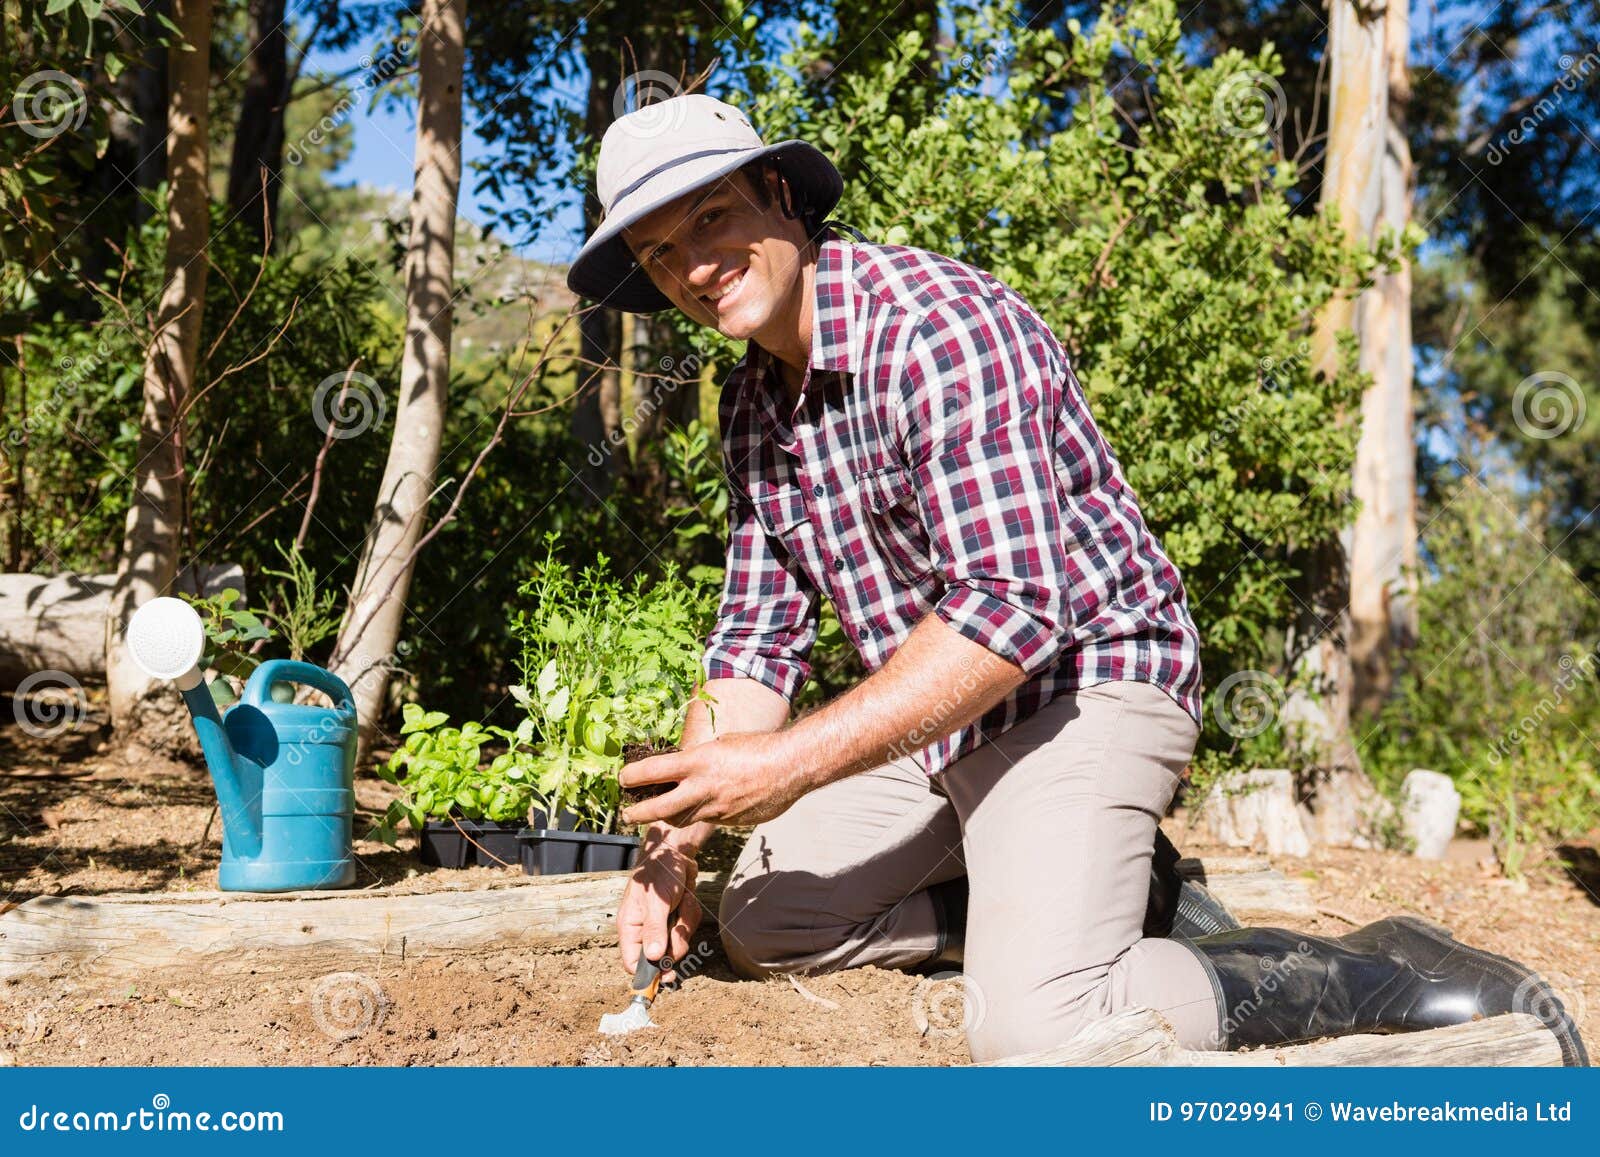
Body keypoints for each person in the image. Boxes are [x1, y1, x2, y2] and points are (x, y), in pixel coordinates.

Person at [566, 93, 1588, 1066]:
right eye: (659, 253)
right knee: (764, 917)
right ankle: (1090, 905)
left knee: (1034, 1032)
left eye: (712, 216)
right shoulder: (749, 409)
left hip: (1081, 685)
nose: (695, 266)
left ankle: (1369, 971)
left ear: (781, 196)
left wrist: (785, 766)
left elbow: (1011, 609)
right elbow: (753, 641)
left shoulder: (936, 327)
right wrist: (673, 844)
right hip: (943, 718)